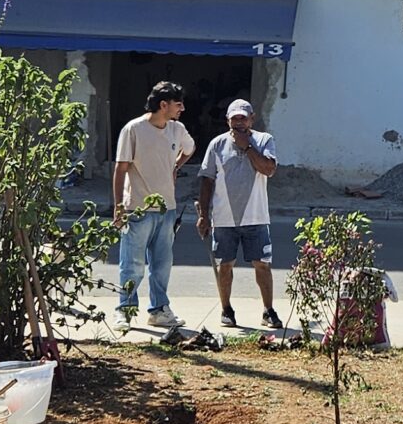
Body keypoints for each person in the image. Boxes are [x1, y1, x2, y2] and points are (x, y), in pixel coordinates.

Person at [114, 80, 196, 337]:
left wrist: (176, 166)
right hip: (137, 208)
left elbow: (189, 149)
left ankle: (159, 310)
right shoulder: (134, 129)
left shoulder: (177, 129)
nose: (182, 108)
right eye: (178, 104)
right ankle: (125, 309)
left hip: (167, 208)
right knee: (133, 263)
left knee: (162, 264)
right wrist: (118, 206)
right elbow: (120, 168)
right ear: (163, 105)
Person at [197, 99, 282, 333]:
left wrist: (247, 147)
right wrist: (204, 215)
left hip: (256, 217)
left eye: (243, 118)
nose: (239, 123)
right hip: (224, 218)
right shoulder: (217, 144)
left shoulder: (264, 140)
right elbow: (207, 180)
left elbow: (269, 169)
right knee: (225, 265)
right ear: (228, 121)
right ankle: (226, 309)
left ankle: (268, 310)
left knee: (262, 264)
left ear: (252, 119)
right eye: (234, 118)